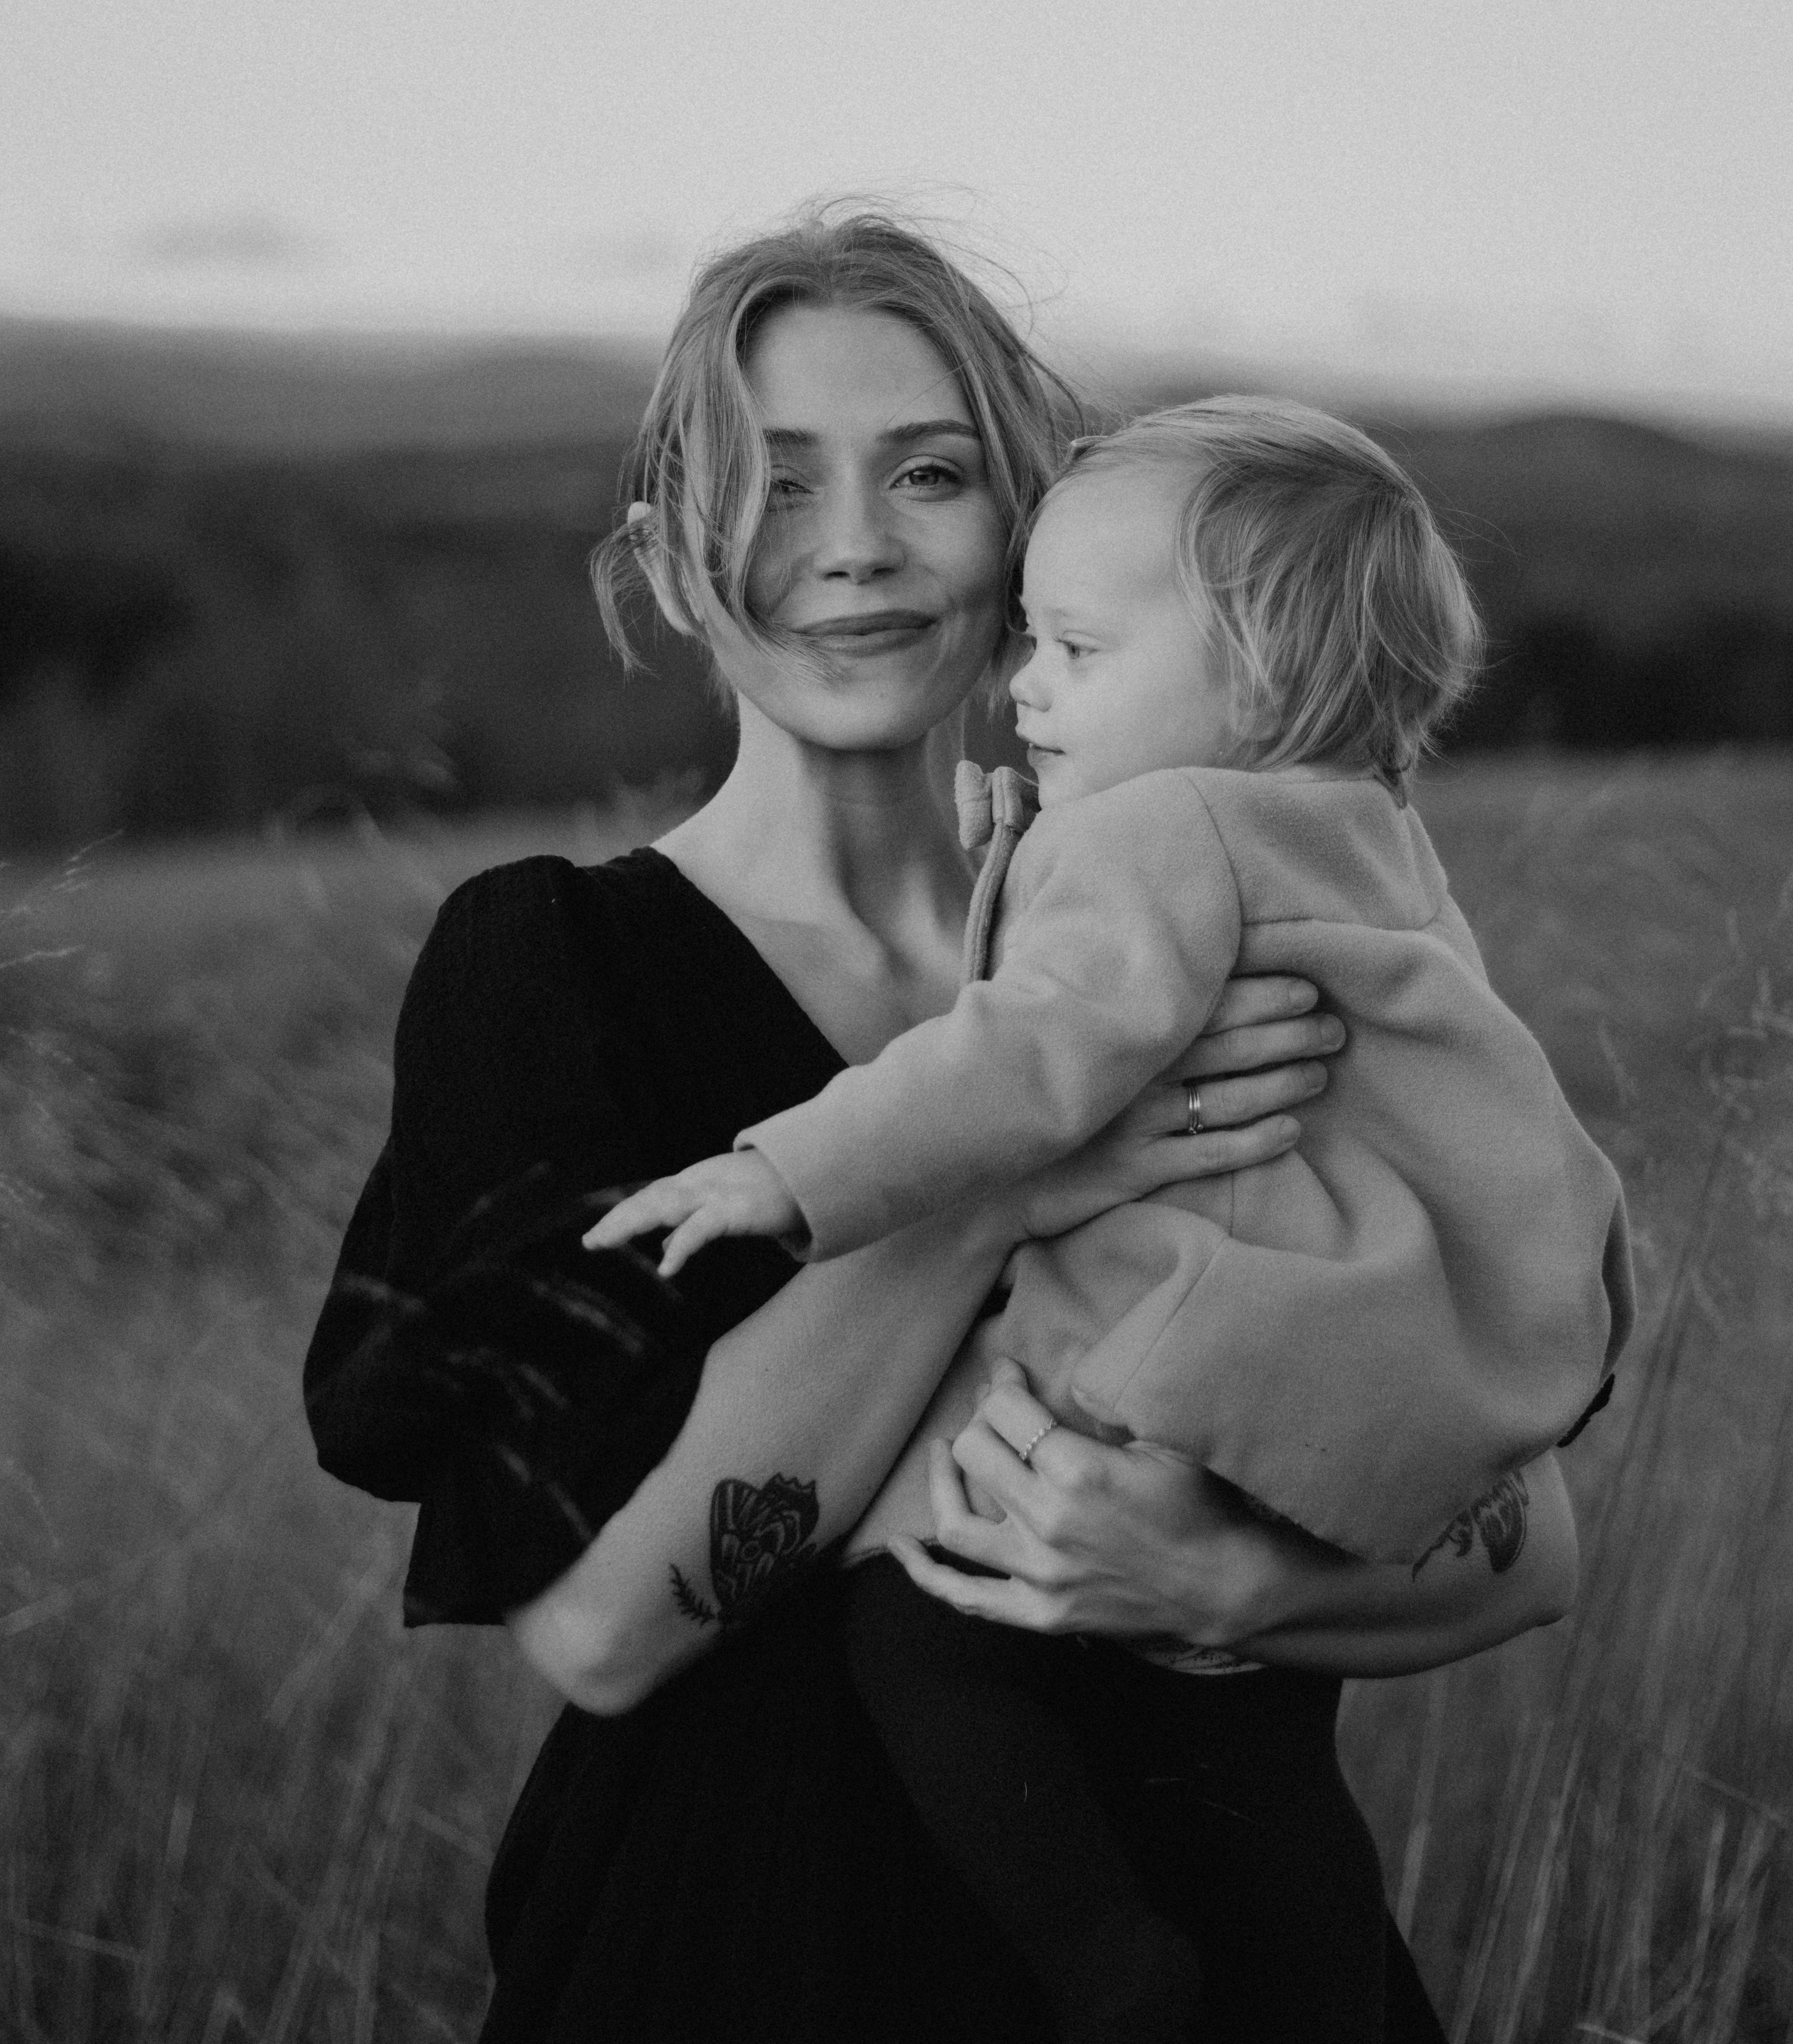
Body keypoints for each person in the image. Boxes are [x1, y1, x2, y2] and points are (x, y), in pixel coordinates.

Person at [304, 207, 1585, 2044]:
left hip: (1230, 1967)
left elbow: (1529, 1549)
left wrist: (1232, 1578)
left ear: (1036, 530)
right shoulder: (550, 968)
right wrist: (994, 1198)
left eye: (931, 474)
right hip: (745, 1965)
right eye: (774, 485)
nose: (852, 552)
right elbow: (601, 1630)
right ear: (673, 561)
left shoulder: (1241, 909)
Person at [590, 392, 1632, 2039]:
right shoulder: (1363, 831)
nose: (1024, 688)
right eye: (1034, 642)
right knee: (1252, 1749)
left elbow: (1022, 1062)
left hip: (1152, 1340)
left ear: (1257, 681)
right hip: (1311, 1360)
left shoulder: (1155, 830)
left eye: (1074, 653)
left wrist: (786, 1173)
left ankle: (1105, 1964)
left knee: (911, 1632)